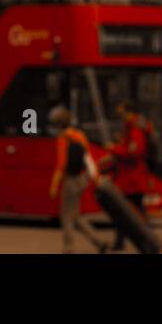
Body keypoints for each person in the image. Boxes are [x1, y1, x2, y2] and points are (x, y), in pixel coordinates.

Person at [48, 106, 108, 254]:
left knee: (66, 216)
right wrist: (95, 177)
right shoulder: (80, 135)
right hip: (82, 179)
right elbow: (87, 158)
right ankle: (99, 242)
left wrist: (54, 185)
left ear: (58, 125)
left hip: (70, 180)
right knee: (76, 216)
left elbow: (61, 164)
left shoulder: (63, 139)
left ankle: (68, 247)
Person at [107, 101, 150, 250]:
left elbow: (133, 152)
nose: (119, 114)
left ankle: (144, 240)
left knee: (124, 210)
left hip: (132, 178)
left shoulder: (135, 130)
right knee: (130, 210)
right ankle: (128, 241)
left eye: (121, 111)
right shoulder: (131, 128)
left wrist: (114, 149)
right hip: (130, 178)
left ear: (128, 112)